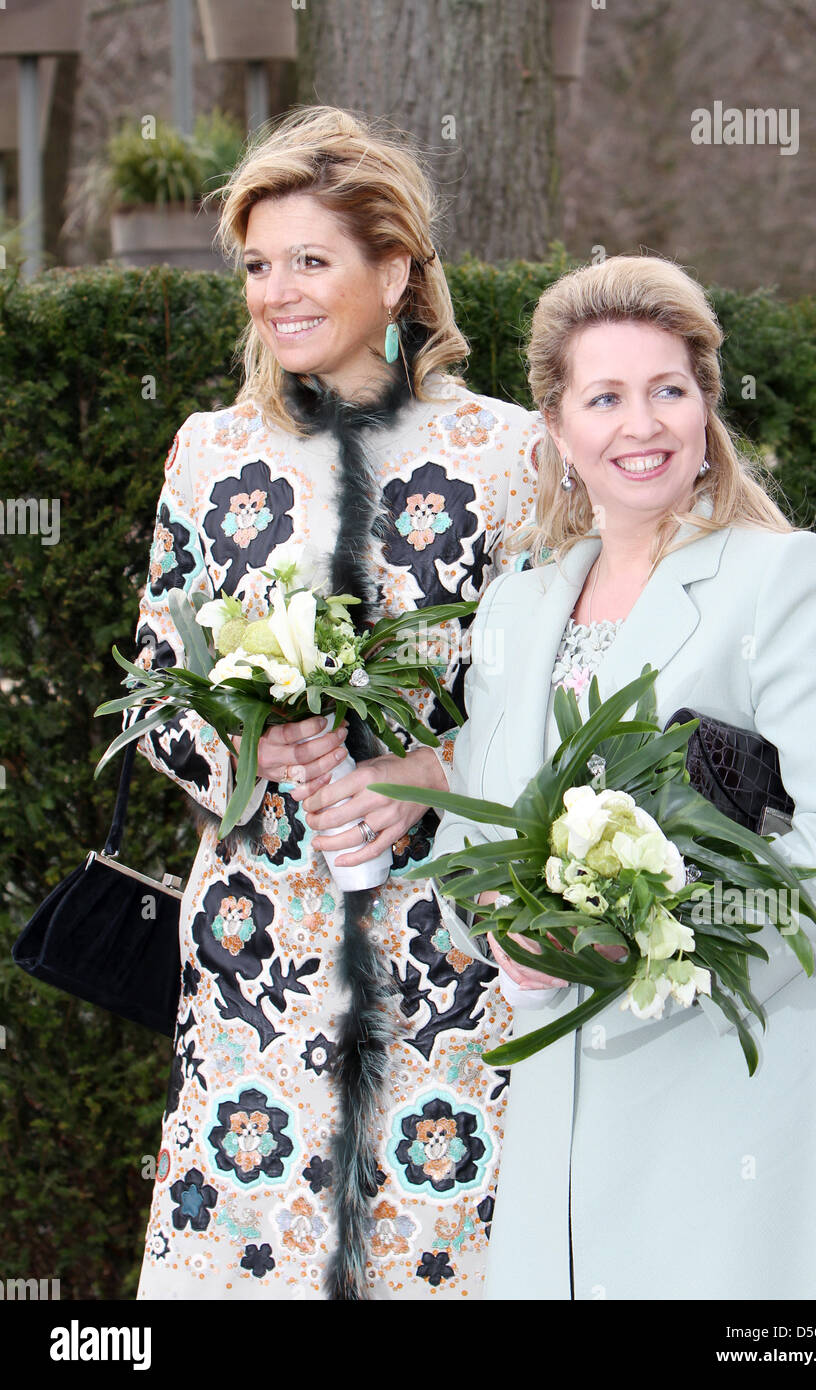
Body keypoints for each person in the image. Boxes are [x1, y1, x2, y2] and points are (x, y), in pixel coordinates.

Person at [431, 253, 816, 1299]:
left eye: (666, 390)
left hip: (727, 1081)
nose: (639, 424)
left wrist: (663, 950)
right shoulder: (518, 604)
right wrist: (503, 936)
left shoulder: (779, 575)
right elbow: (468, 834)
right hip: (554, 1095)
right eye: (604, 397)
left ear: (703, 411)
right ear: (557, 430)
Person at [131, 105, 542, 1301]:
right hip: (256, 952)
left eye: (311, 259)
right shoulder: (207, 453)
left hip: (448, 950)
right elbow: (157, 685)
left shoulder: (510, 455)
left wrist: (434, 774)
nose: (277, 292)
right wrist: (253, 734)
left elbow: (564, 689)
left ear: (397, 270)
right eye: (259, 265)